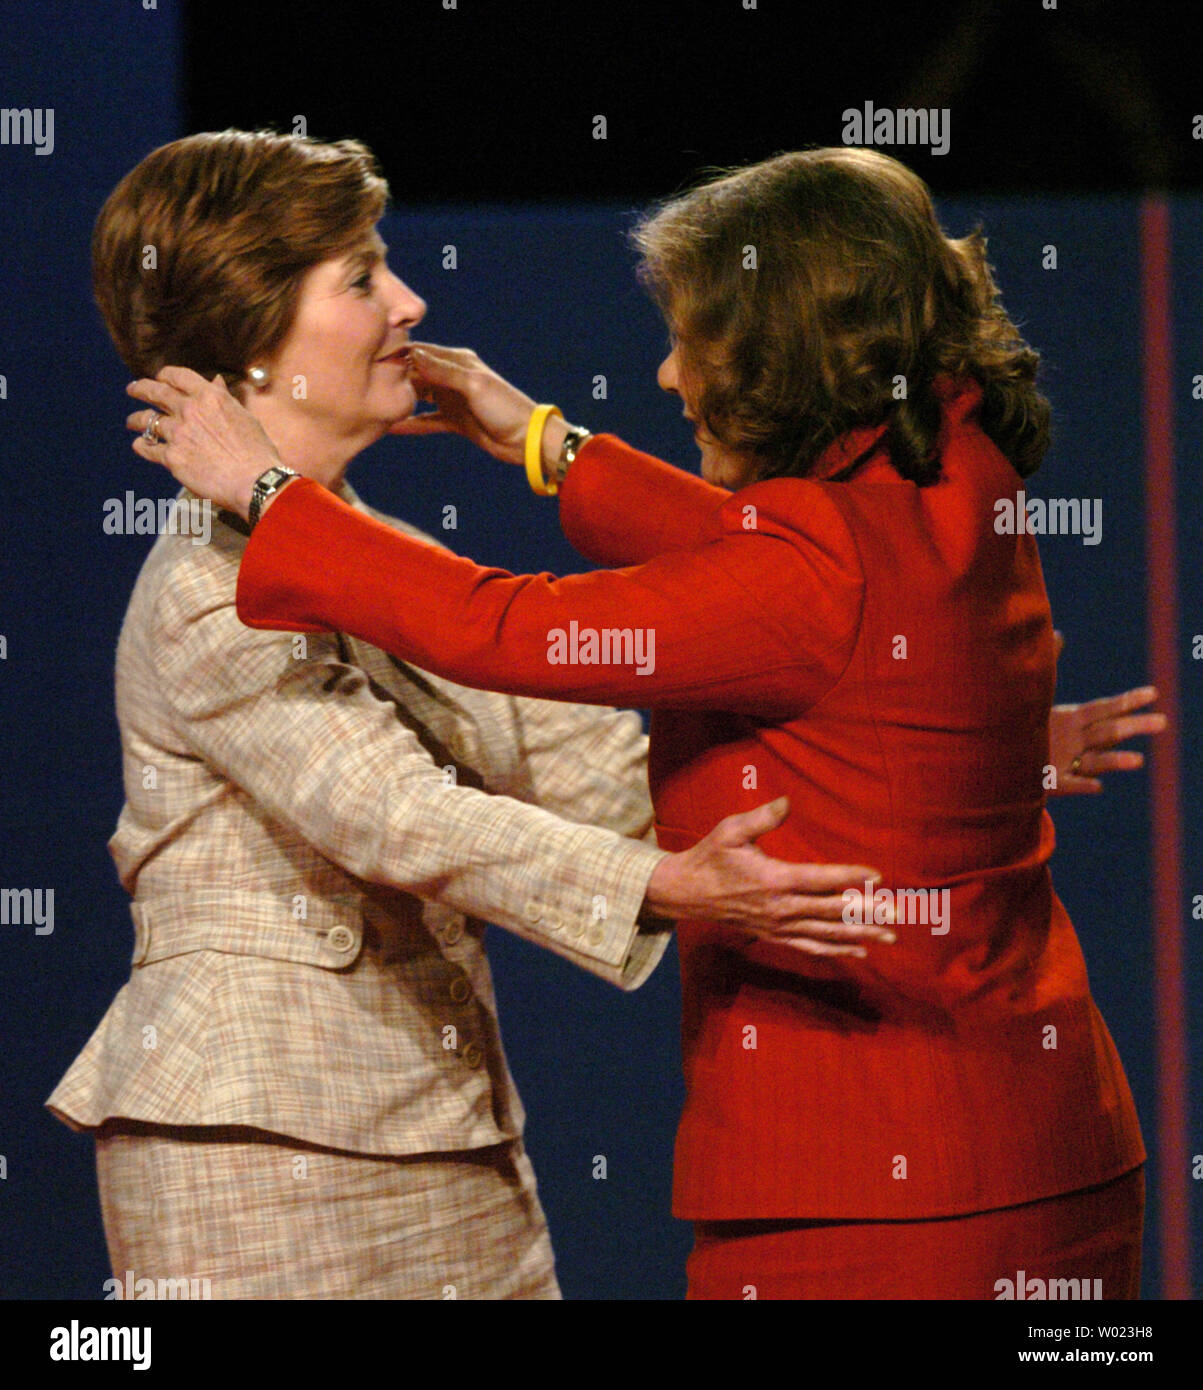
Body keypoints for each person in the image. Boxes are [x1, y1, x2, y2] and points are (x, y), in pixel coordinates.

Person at [133, 147, 1165, 1299]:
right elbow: (752, 565)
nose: (670, 377)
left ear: (780, 352)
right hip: (1043, 1152)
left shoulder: (810, 573)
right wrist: (538, 440)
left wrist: (276, 503)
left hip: (881, 1194)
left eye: (696, 342)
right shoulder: (959, 469)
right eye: (364, 276)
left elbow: (507, 631)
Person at [48, 130, 893, 1302]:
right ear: (251, 344)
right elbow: (394, 814)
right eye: (359, 279)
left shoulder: (384, 556)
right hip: (261, 1161)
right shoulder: (206, 581)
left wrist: (888, 746)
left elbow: (596, 758)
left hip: (442, 1141)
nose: (409, 298)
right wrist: (661, 886)